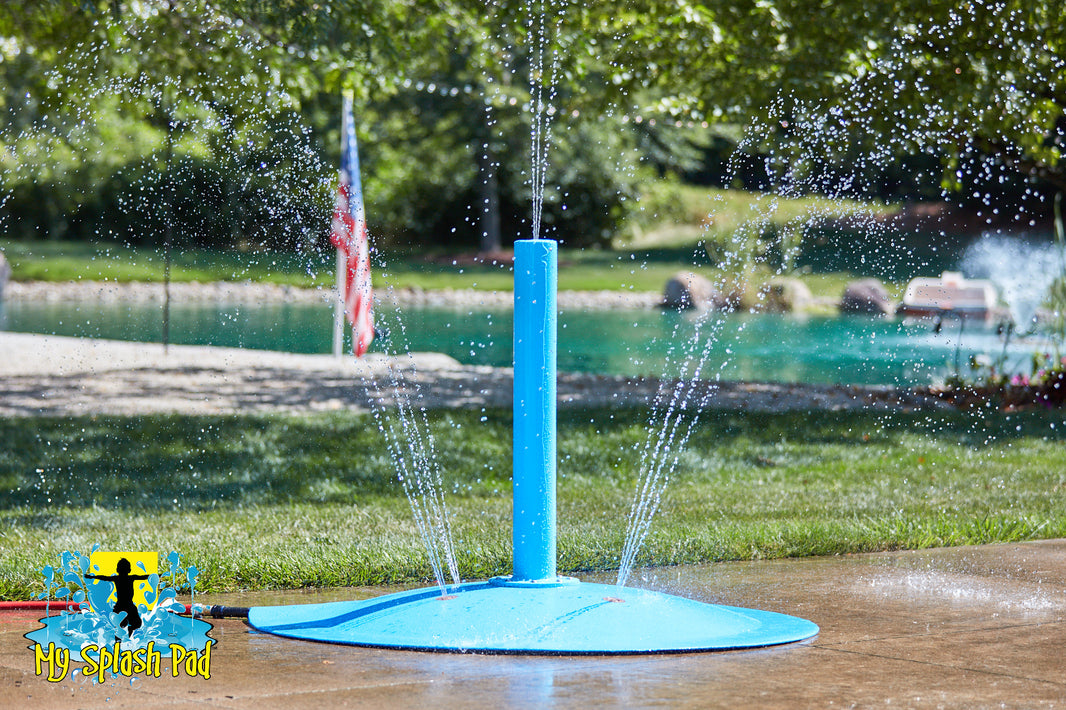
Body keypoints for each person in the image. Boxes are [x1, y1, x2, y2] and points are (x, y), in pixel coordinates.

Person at [85, 558, 150, 634]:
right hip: (128, 605)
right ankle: (129, 633)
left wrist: (92, 577)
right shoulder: (130, 577)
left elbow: (104, 577)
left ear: (117, 569)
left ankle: (121, 637)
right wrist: (156, 576)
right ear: (129, 570)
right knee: (135, 624)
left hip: (120, 606)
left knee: (119, 625)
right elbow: (144, 577)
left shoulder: (117, 578)